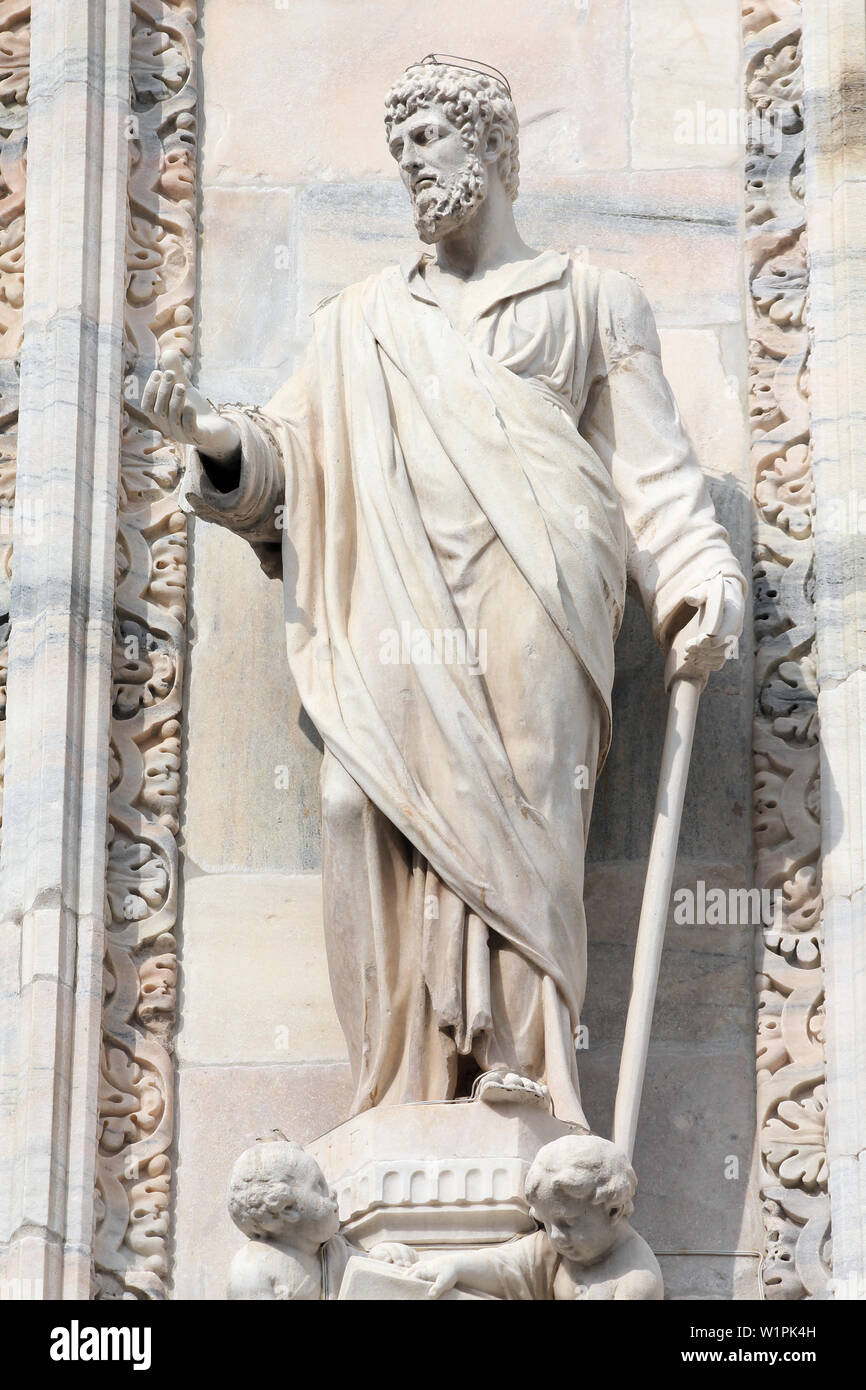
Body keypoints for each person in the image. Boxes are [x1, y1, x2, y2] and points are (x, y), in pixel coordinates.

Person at [140, 58, 746, 1128]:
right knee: (349, 802)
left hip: (536, 597)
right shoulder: (358, 322)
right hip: (391, 606)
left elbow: (649, 475)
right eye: (401, 143)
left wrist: (697, 579)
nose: (413, 159)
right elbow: (288, 455)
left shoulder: (592, 299)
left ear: (494, 148)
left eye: (432, 135)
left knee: (526, 802)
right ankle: (395, 1086)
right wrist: (213, 438)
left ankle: (527, 1072)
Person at [408, 1134, 663, 1300]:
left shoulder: (635, 1282)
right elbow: (505, 1267)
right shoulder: (557, 1249)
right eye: (546, 1222)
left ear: (613, 1211)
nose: (555, 1236)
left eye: (567, 1223)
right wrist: (454, 1266)